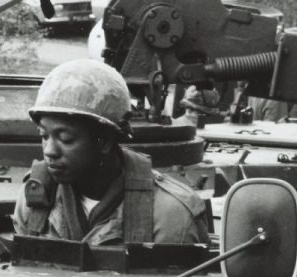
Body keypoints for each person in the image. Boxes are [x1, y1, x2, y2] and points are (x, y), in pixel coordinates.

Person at [14, 59, 212, 247]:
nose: (50, 151)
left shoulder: (170, 215)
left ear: (105, 141)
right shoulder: (36, 200)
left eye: (65, 139)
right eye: (44, 135)